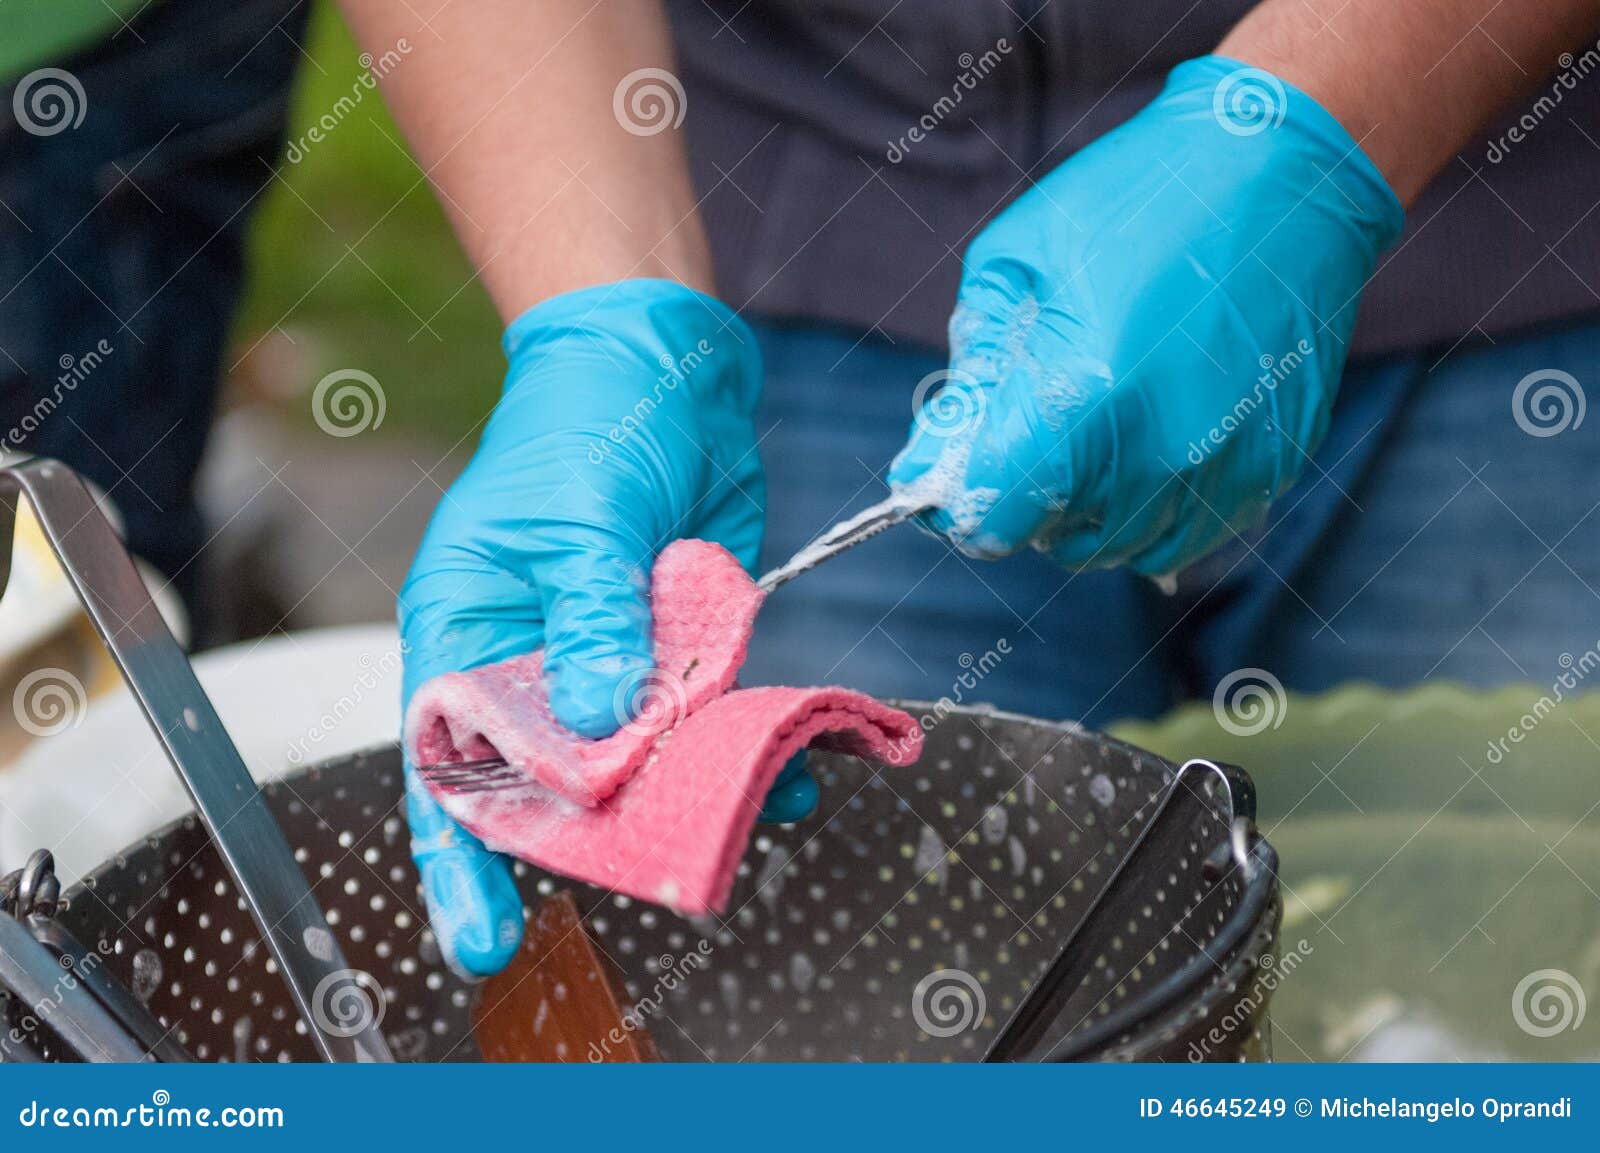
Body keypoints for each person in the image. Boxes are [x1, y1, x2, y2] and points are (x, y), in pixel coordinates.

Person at [5, 0, 1600, 979]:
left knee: (1494, 963)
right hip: (786, 214)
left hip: (1502, 242)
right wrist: (602, 309)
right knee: (863, 1001)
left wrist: (1324, 129)